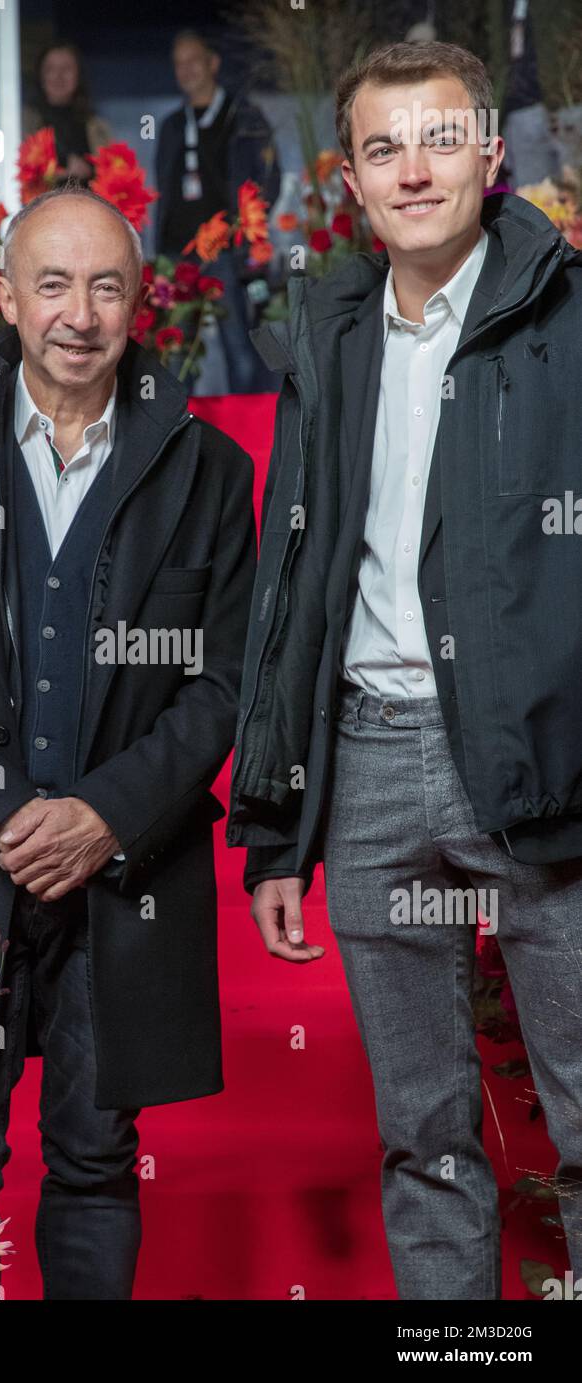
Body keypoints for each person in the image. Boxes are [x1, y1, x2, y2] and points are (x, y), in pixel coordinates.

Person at [0, 181, 256, 1300]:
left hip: (124, 881)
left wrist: (107, 811)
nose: (79, 312)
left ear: (137, 304)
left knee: (98, 1161)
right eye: (53, 284)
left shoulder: (204, 470)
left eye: (105, 285)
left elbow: (223, 682)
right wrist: (3, 811)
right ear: (6, 299)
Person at [227, 39, 582, 1299]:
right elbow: (292, 579)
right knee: (421, 1135)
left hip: (542, 760)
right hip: (370, 756)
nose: (412, 168)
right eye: (383, 147)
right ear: (352, 181)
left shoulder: (566, 317)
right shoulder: (327, 334)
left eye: (439, 139)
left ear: (491, 156)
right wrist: (276, 824)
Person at [155, 28, 281, 394]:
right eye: (178, 64)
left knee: (239, 348)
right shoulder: (171, 126)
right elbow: (163, 194)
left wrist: (244, 227)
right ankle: (178, 436)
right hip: (178, 253)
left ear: (213, 63)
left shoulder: (244, 117)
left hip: (228, 252)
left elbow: (270, 178)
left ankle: (248, 438)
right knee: (178, 352)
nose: (186, 70)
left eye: (193, 60)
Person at [22, 42, 112, 186]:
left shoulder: (97, 126)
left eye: (66, 68)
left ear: (78, 75)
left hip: (89, 204)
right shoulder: (24, 122)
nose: (59, 76)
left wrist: (90, 172)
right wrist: (64, 172)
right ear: (40, 75)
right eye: (50, 69)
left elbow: (113, 176)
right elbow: (22, 173)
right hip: (43, 206)